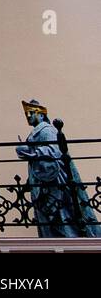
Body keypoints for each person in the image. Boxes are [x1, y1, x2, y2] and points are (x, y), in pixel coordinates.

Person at [15, 99, 101, 238]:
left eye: (31, 113)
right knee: (52, 220)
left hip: (54, 184)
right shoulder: (36, 133)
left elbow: (55, 151)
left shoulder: (47, 130)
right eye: (27, 114)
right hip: (42, 183)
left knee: (61, 215)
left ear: (42, 115)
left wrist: (31, 152)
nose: (29, 116)